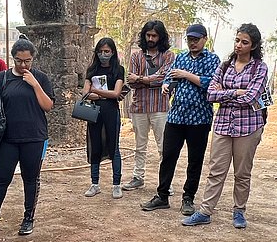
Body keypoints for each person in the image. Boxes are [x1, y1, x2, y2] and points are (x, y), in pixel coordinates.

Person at [182, 24, 269, 229]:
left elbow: (251, 97)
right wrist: (235, 92)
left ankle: (239, 211)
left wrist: (227, 92)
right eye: (237, 40)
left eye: (244, 42)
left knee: (242, 173)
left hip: (248, 127)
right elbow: (210, 94)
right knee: (216, 170)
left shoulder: (260, 67)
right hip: (222, 124)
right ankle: (205, 211)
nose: (239, 45)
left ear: (254, 45)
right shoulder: (224, 66)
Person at [0, 37, 56, 239]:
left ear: (32, 59)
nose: (23, 65)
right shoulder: (2, 79)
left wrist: (35, 85)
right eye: (19, 61)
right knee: (0, 180)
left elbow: (48, 106)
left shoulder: (41, 78)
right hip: (7, 140)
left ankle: (28, 219)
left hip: (34, 138)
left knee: (31, 179)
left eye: (27, 61)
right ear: (12, 59)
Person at [142, 23, 221, 215]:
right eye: (190, 40)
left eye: (196, 39)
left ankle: (188, 198)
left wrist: (186, 75)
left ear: (205, 39)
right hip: (176, 116)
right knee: (168, 156)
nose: (192, 43)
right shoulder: (181, 57)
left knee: (195, 160)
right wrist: (166, 86)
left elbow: (212, 84)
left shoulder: (213, 59)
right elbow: (170, 77)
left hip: (199, 119)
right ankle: (162, 195)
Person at [123, 20, 175, 191]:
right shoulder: (136, 56)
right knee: (140, 145)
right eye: (148, 35)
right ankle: (138, 177)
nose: (151, 38)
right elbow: (131, 82)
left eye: (154, 35)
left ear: (160, 37)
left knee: (164, 146)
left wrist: (141, 79)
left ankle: (166, 183)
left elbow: (165, 78)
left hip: (160, 106)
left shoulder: (168, 55)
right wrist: (147, 81)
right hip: (139, 106)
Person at [81, 37, 126, 199]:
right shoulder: (92, 69)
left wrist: (97, 92)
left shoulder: (118, 70)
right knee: (95, 145)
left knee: (114, 146)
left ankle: (116, 184)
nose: (103, 54)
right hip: (94, 112)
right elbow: (85, 93)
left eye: (106, 51)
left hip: (111, 111)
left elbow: (116, 93)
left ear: (112, 52)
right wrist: (99, 94)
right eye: (100, 51)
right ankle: (94, 183)